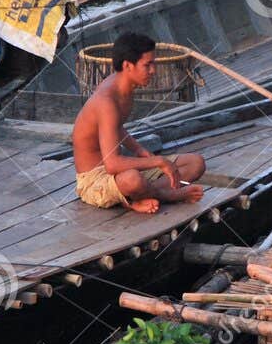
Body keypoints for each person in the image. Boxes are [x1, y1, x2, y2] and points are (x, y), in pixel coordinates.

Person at [72, 31, 205, 214]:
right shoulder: (106, 101)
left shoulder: (125, 87)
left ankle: (145, 194)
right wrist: (158, 161)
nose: (153, 71)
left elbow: (115, 127)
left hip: (119, 172)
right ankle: (168, 195)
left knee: (195, 163)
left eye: (153, 64)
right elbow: (112, 164)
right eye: (147, 65)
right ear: (128, 66)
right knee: (132, 179)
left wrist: (139, 150)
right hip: (96, 180)